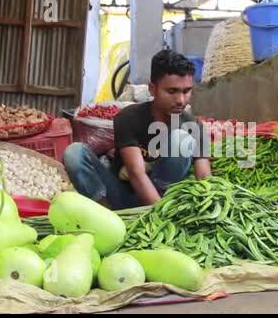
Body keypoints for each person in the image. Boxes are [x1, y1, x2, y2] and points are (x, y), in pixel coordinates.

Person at [64, 50, 212, 210]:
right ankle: (105, 213)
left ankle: (162, 208)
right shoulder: (129, 118)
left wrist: (212, 206)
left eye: (186, 91)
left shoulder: (194, 126)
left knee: (181, 138)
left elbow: (204, 178)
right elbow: (136, 174)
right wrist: (159, 216)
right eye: (171, 91)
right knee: (74, 153)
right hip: (122, 197)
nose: (180, 100)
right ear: (152, 89)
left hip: (167, 199)